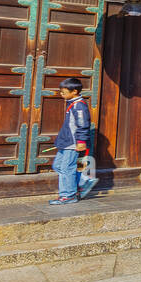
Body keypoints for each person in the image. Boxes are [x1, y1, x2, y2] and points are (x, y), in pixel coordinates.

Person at [50, 77, 96, 205]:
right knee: (58, 166)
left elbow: (83, 125)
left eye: (63, 92)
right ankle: (81, 183)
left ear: (74, 91)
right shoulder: (72, 103)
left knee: (67, 168)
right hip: (65, 142)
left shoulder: (79, 106)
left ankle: (68, 195)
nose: (61, 94)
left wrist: (81, 141)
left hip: (73, 143)